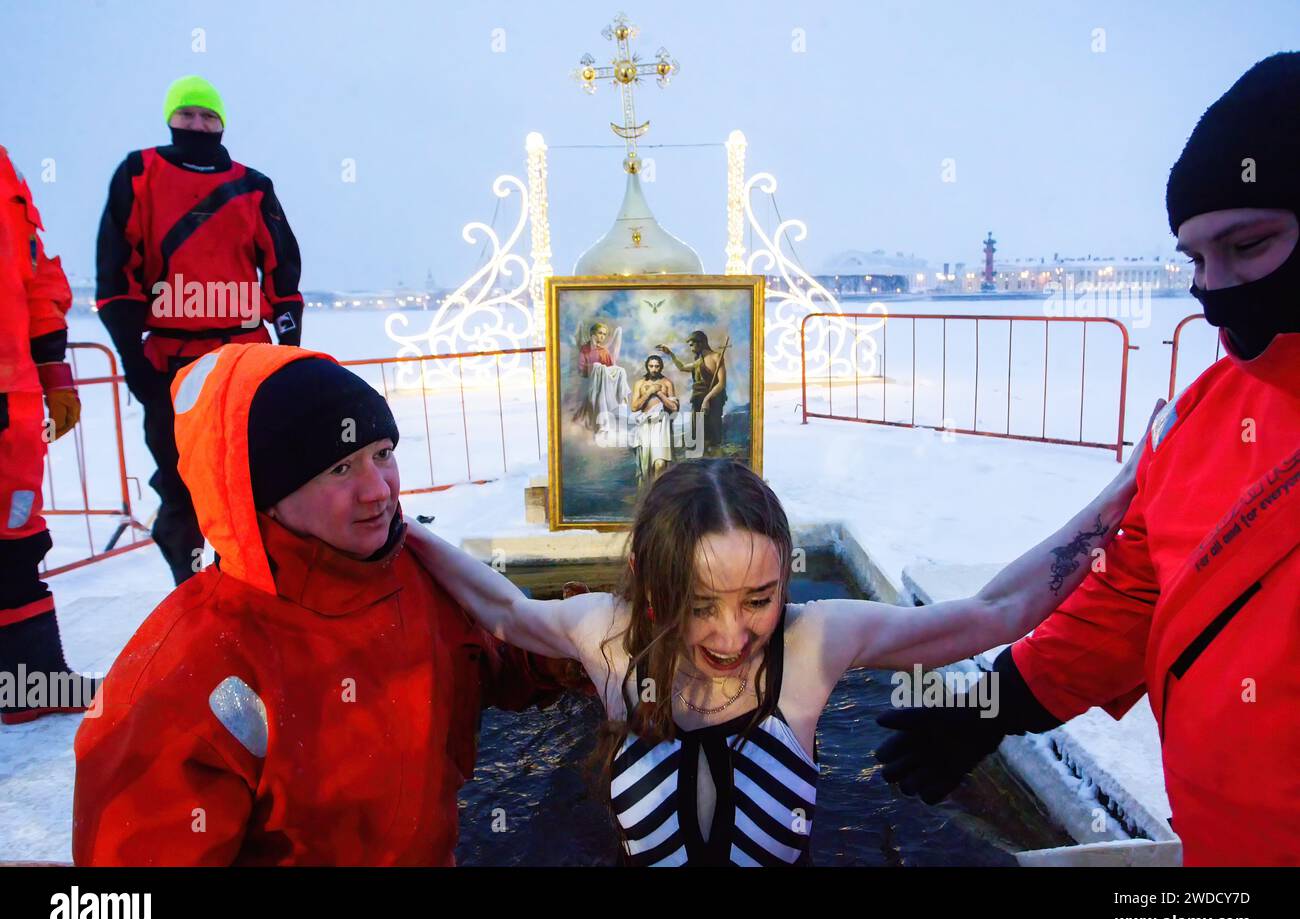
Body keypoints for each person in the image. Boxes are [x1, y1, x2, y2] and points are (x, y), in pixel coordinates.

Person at [875, 52, 1300, 866]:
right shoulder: (1204, 415)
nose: (1217, 289)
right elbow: (1132, 589)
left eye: (1249, 245)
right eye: (1195, 261)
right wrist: (997, 706)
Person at [403, 440, 1153, 866]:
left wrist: (1122, 496)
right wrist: (396, 531)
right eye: (699, 606)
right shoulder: (608, 638)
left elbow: (994, 612)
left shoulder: (813, 645)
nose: (732, 636)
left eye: (758, 599)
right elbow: (500, 607)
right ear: (652, 585)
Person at [73, 344, 576, 864]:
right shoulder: (188, 672)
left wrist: (583, 643)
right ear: (261, 494)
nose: (378, 490)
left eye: (383, 454)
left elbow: (491, 665)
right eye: (341, 468)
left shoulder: (415, 580)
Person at [95, 75, 303, 586]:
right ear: (170, 120)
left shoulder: (252, 186)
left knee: (255, 477)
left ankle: (257, 583)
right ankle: (193, 593)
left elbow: (283, 272)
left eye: (208, 117)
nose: (197, 124)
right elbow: (114, 274)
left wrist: (289, 349)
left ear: (223, 124)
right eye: (187, 115)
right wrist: (131, 358)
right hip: (170, 364)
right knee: (181, 485)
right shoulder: (138, 174)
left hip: (242, 362)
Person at [0, 144, 100, 725]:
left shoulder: (8, 171)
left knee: (17, 538)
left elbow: (37, 279)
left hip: (13, 393)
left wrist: (55, 373)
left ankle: (30, 682)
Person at [658, 331, 726, 455]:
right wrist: (671, 354)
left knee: (712, 438)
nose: (690, 348)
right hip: (698, 401)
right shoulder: (698, 362)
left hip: (712, 402)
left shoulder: (717, 357)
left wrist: (707, 400)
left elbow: (721, 384)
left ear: (700, 343)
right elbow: (682, 367)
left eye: (691, 345)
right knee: (700, 438)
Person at [573, 321, 630, 440]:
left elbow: (610, 370)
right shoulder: (585, 349)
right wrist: (595, 367)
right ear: (592, 334)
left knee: (620, 371)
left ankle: (622, 397)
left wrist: (603, 370)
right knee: (598, 369)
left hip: (605, 385)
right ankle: (601, 426)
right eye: (600, 333)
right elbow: (581, 370)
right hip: (590, 384)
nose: (602, 336)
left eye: (604, 334)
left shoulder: (604, 351)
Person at [629, 354, 678, 486]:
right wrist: (649, 392)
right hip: (645, 426)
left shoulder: (667, 383)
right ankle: (647, 497)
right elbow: (634, 407)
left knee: (660, 464)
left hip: (662, 424)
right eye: (651, 366)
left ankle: (658, 495)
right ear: (647, 366)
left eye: (657, 366)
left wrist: (660, 393)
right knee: (646, 469)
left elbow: (674, 407)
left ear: (661, 367)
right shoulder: (640, 384)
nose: (654, 369)